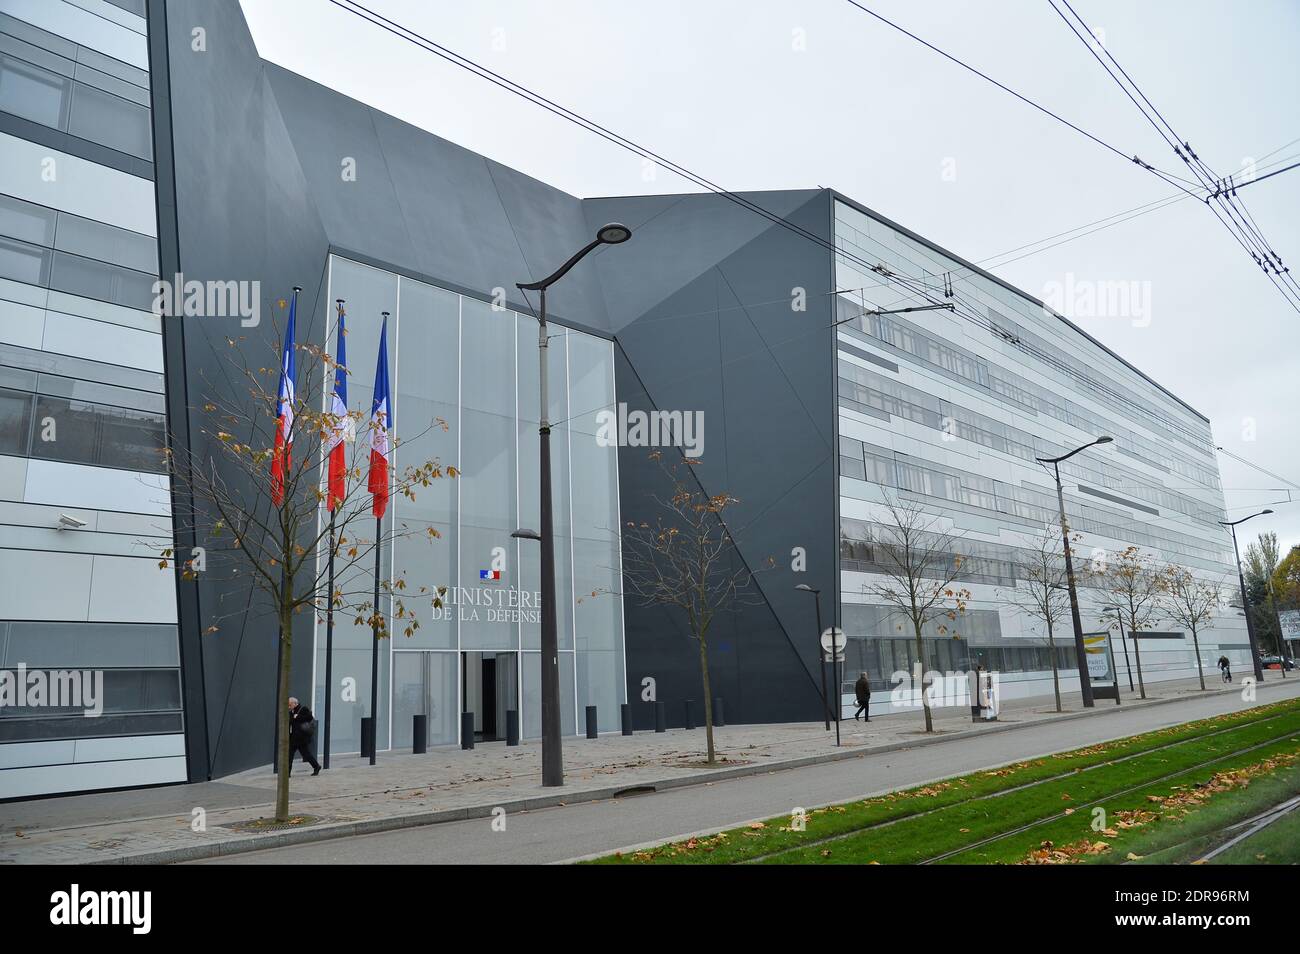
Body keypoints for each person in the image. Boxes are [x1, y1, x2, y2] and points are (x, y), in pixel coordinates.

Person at [287, 697, 321, 776]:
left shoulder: (303, 709)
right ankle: (287, 773)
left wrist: (298, 717)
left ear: (295, 703)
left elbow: (310, 718)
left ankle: (316, 766)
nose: (289, 706)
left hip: (301, 738)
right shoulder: (291, 711)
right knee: (290, 755)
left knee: (306, 755)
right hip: (294, 738)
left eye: (290, 704)